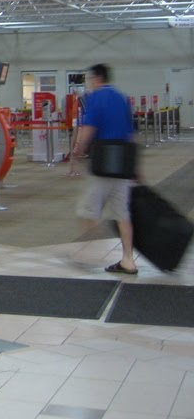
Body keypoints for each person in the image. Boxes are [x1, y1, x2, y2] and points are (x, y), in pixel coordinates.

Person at [71, 63, 138, 275]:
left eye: (91, 79)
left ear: (97, 78)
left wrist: (77, 151)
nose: (90, 83)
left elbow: (89, 128)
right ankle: (128, 260)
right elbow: (131, 134)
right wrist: (136, 168)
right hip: (123, 163)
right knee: (122, 213)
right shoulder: (122, 98)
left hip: (102, 163)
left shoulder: (96, 98)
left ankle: (87, 254)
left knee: (87, 210)